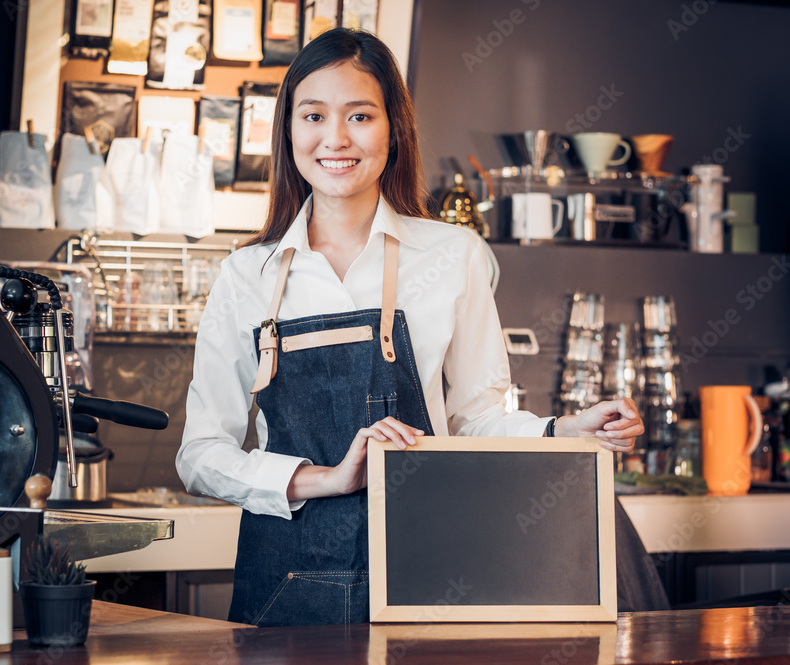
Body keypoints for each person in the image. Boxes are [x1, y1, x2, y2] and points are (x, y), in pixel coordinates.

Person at [177, 27, 644, 627]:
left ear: (394, 128)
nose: (336, 139)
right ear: (288, 130)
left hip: (429, 574)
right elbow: (201, 456)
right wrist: (326, 478)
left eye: (361, 116)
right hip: (284, 586)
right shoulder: (246, 274)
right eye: (313, 115)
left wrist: (564, 431)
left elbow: (478, 420)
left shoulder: (454, 254)